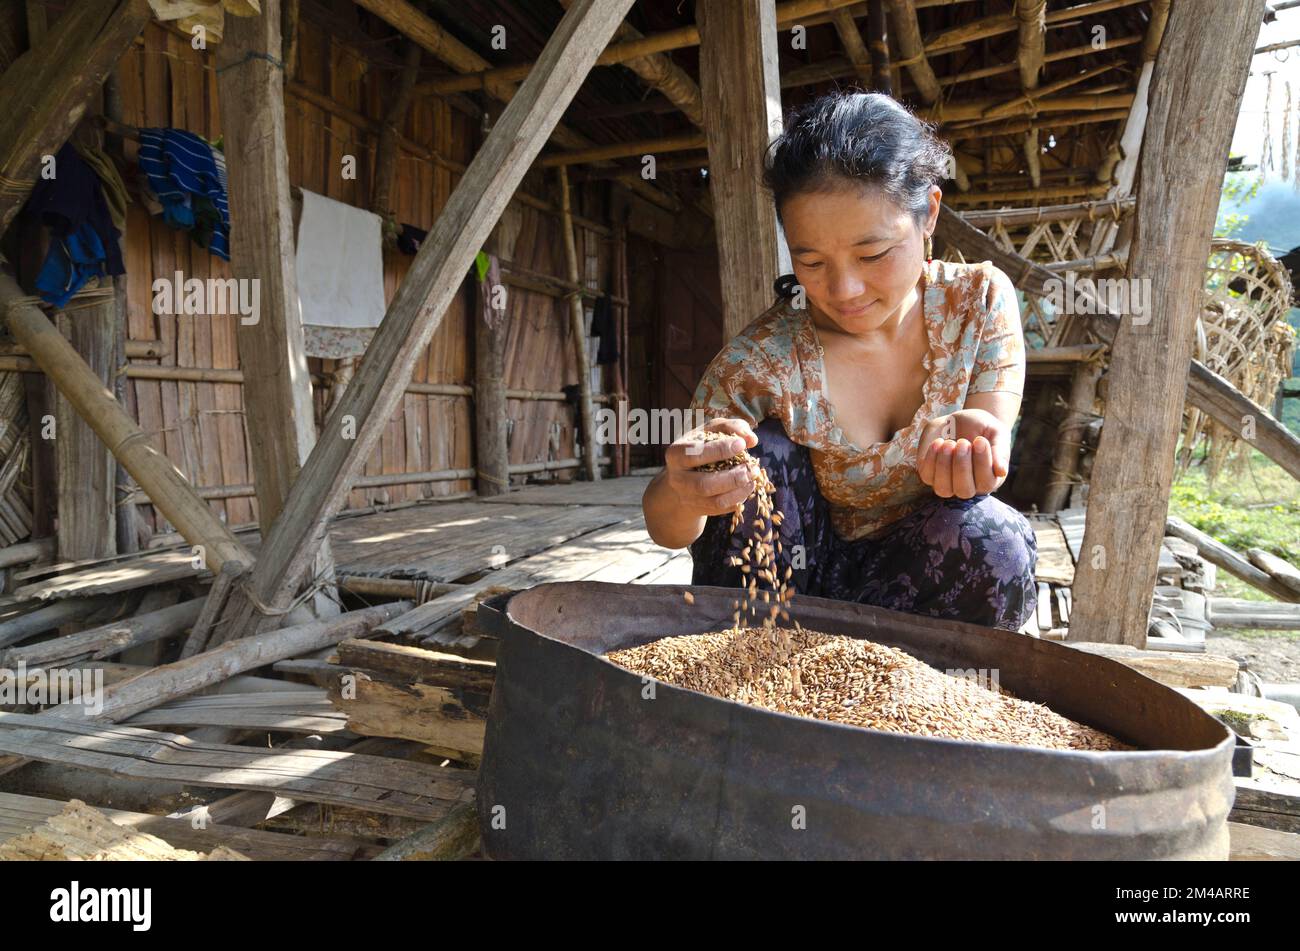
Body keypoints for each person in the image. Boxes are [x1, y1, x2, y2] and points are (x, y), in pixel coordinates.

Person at [641, 91, 1037, 631]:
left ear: (930, 215)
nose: (845, 289)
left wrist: (978, 446)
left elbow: (989, 453)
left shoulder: (978, 304)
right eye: (811, 261)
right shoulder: (758, 364)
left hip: (914, 593)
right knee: (763, 455)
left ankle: (938, 700)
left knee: (998, 537)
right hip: (785, 598)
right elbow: (668, 526)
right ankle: (748, 673)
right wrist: (684, 491)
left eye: (872, 254)